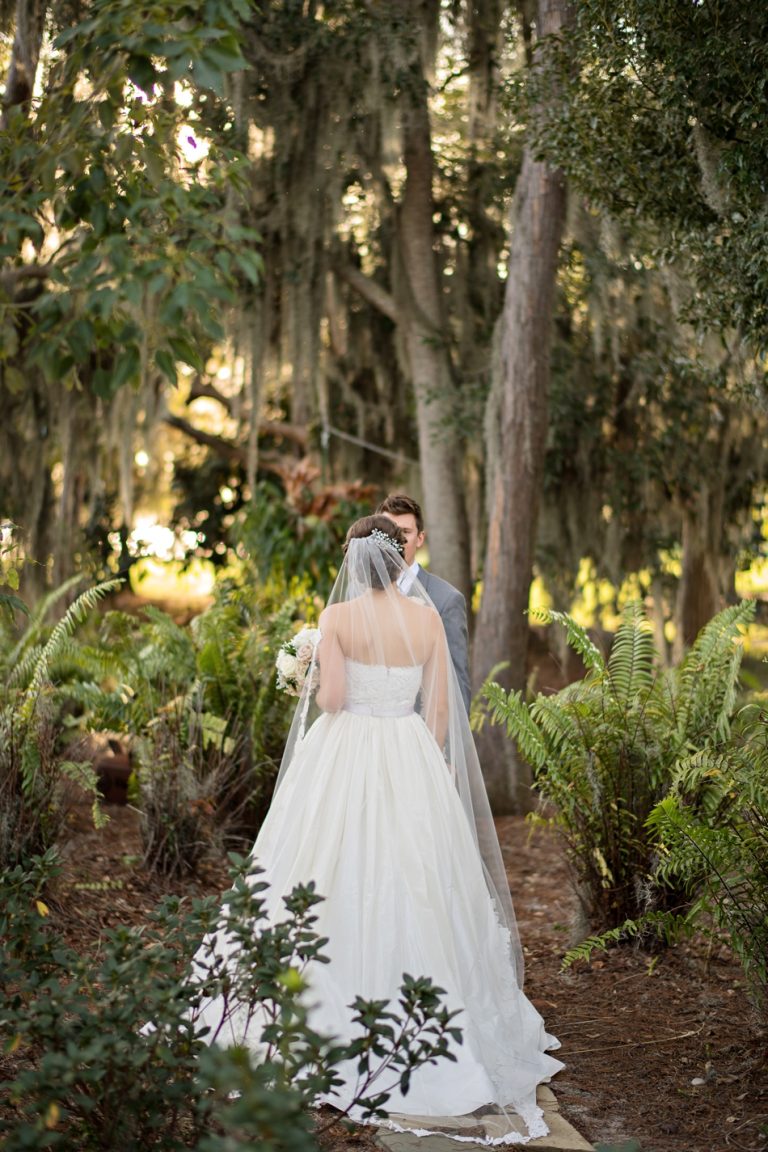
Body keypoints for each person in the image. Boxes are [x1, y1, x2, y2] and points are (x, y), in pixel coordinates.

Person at [191, 516, 562, 1144]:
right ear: (398, 561)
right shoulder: (426, 621)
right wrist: (424, 750)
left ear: (354, 565)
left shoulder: (337, 621)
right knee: (416, 876)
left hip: (345, 751)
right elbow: (440, 707)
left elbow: (333, 699)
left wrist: (308, 672)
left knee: (320, 867)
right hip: (409, 750)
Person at [376, 493, 471, 713]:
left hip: (418, 731)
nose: (395, 540)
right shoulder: (360, 592)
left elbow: (457, 683)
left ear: (420, 538)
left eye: (405, 532)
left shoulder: (446, 600)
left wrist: (444, 746)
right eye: (387, 532)